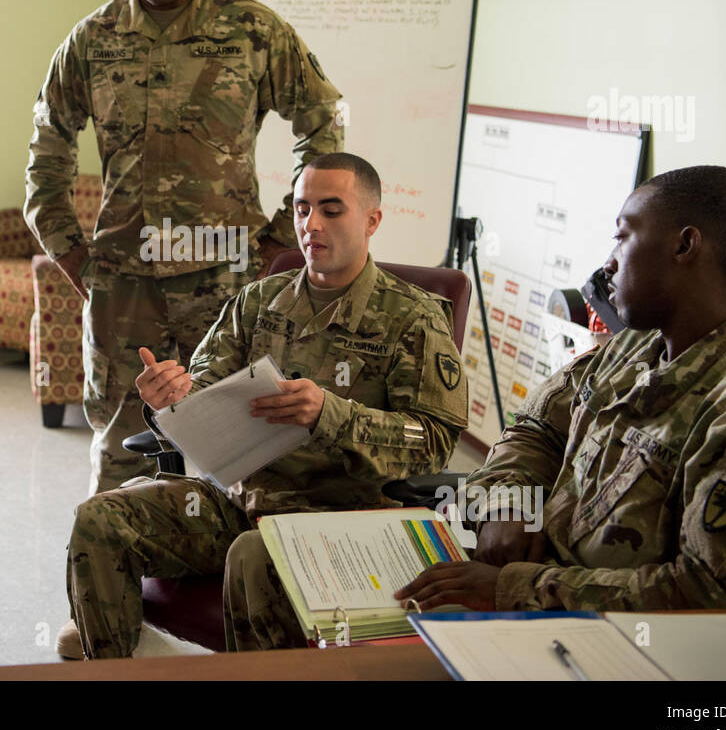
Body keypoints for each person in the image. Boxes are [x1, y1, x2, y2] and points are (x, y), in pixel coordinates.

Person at [62, 153, 469, 659]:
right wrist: (170, 399)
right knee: (100, 520)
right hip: (242, 502)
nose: (310, 224)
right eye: (301, 209)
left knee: (255, 554)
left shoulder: (414, 320)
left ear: (372, 220)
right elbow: (204, 390)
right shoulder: (259, 302)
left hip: (341, 517)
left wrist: (330, 414)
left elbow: (431, 443)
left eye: (331, 209)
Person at [392, 167, 726, 616]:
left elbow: (717, 596)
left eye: (623, 237)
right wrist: (511, 505)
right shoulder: (636, 343)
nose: (609, 261)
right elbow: (536, 428)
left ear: (685, 245)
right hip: (528, 595)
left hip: (603, 638)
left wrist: (514, 589)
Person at [25, 0, 343, 503]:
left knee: (236, 449)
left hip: (227, 282)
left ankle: (228, 591)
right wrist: (73, 256)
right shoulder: (93, 40)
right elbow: (47, 151)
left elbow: (324, 124)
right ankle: (109, 593)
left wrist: (280, 240)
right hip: (123, 287)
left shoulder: (251, 31)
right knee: (121, 449)